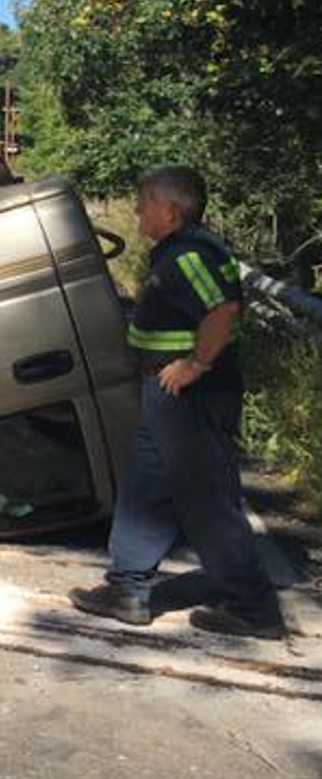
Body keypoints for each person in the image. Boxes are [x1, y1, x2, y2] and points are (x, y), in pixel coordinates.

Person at [69, 165, 285, 639]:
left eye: (145, 202)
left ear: (170, 210)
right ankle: (128, 589)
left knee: (206, 499)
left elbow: (223, 310)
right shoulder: (178, 251)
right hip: (165, 394)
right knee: (145, 489)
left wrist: (196, 364)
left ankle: (252, 608)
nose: (139, 211)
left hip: (189, 394)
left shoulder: (190, 255)